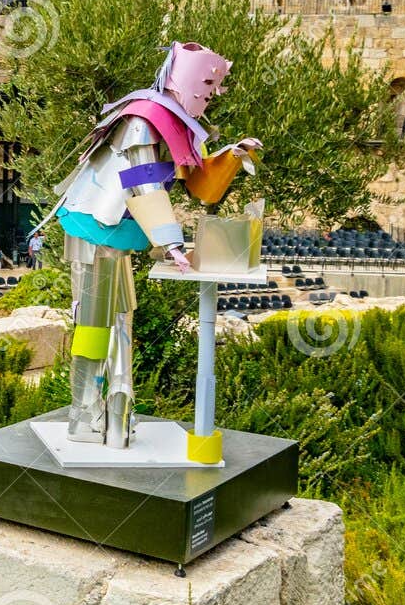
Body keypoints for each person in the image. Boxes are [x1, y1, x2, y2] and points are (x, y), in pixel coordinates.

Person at [43, 41, 261, 448]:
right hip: (95, 226)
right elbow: (141, 181)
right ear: (185, 80)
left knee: (122, 316)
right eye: (207, 86)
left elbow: (199, 184)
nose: (210, 94)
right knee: (93, 321)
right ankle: (84, 411)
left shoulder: (178, 122)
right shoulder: (144, 119)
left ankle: (119, 406)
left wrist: (231, 156)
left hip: (119, 234)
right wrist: (171, 243)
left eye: (216, 88)